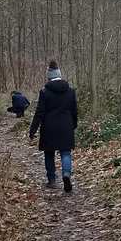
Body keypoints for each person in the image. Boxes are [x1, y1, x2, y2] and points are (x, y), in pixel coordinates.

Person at [29, 60, 78, 192]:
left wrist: (32, 130)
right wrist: (74, 124)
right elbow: (74, 110)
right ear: (60, 74)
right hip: (66, 126)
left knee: (49, 153)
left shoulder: (45, 92)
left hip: (49, 127)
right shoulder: (71, 91)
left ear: (49, 76)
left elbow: (39, 112)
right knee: (66, 153)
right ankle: (66, 174)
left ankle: (52, 180)